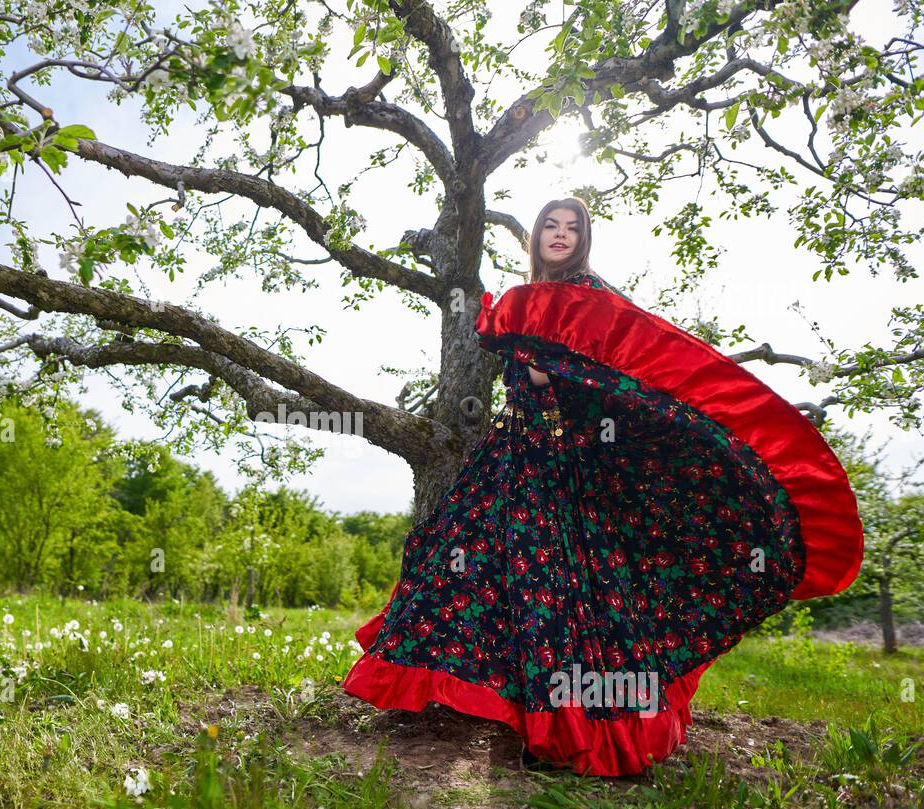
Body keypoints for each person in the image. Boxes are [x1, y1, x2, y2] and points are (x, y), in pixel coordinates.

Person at [341, 197, 863, 777]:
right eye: (551, 227)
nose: (560, 236)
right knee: (457, 563)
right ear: (535, 237)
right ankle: (460, 697)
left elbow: (620, 375)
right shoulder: (525, 300)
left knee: (555, 591)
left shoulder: (591, 298)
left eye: (572, 229)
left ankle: (568, 730)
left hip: (566, 469)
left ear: (582, 241)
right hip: (510, 459)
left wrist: (549, 358)